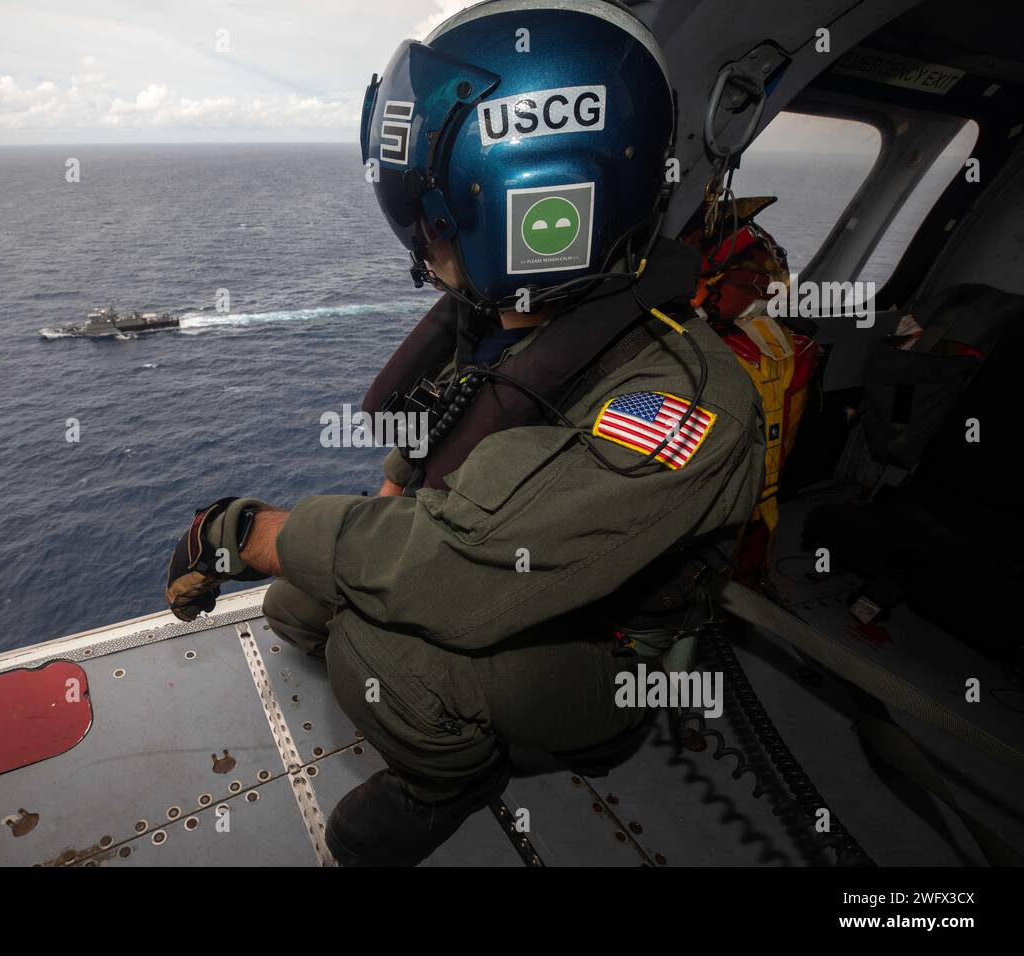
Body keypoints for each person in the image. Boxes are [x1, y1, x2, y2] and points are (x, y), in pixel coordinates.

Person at [165, 0, 765, 867]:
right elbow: (432, 433)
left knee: (378, 648)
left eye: (439, 225)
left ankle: (450, 781)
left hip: (612, 651)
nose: (424, 248)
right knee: (303, 605)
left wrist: (246, 531)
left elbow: (456, 569)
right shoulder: (506, 313)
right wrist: (376, 506)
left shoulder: (685, 402)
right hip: (498, 562)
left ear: (537, 204)